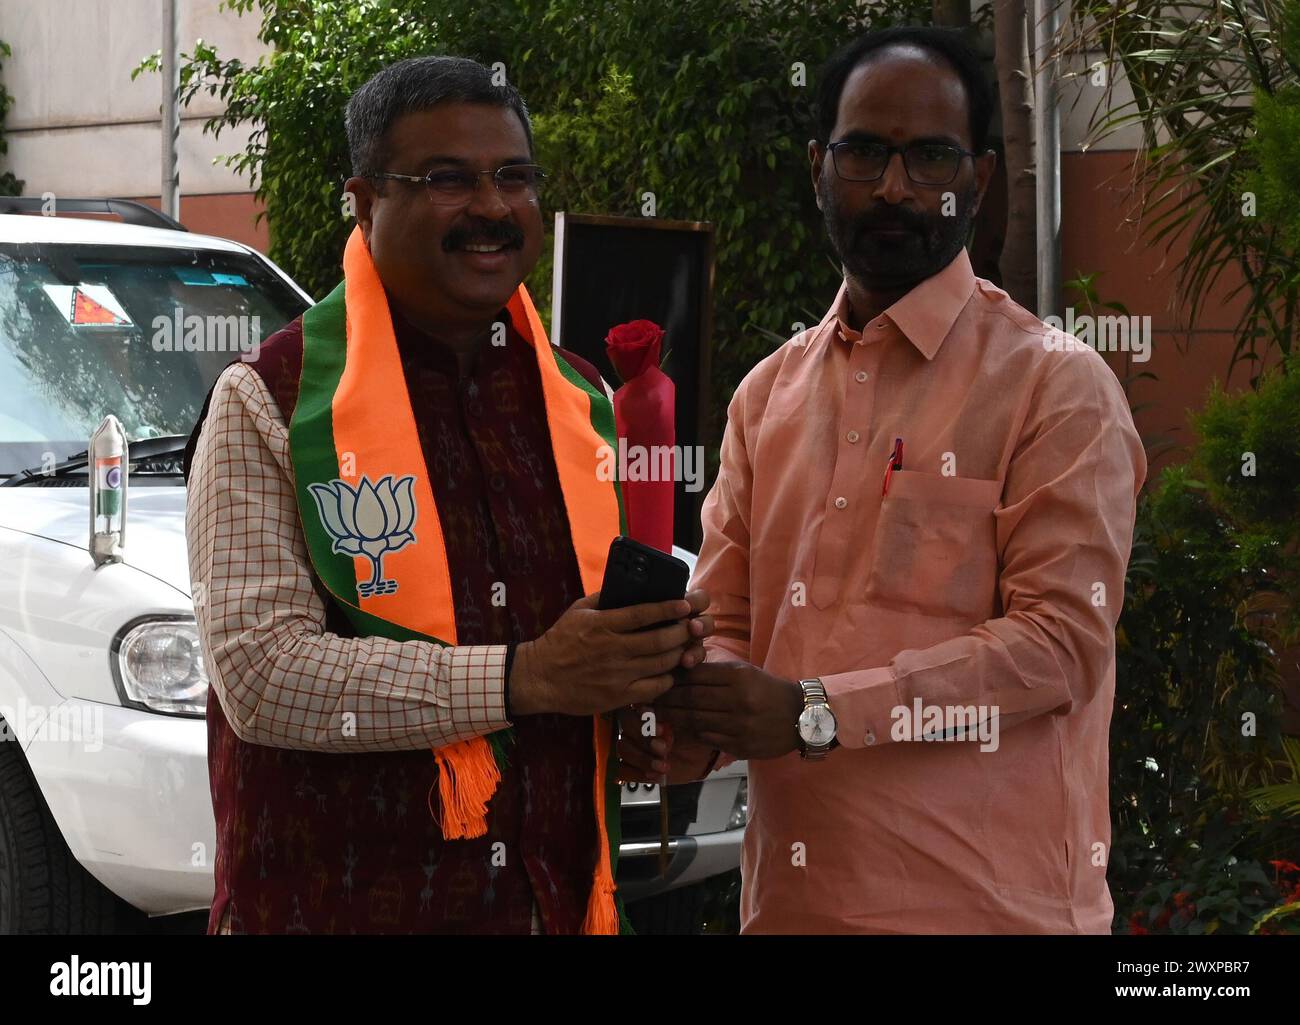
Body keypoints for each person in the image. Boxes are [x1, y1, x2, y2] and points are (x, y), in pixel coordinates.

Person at [620, 26, 1146, 933]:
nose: (897, 187)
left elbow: (1059, 646)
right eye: (865, 151)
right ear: (818, 168)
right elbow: (732, 625)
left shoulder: (1055, 387)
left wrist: (814, 712)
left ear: (978, 181)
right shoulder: (768, 395)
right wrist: (691, 720)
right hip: (791, 908)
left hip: (992, 915)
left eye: (930, 156)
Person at [184, 55, 711, 935]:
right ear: (363, 200)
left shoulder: (578, 402)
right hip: (330, 908)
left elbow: (590, 668)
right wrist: (525, 676)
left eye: (513, 177)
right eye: (446, 180)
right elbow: (261, 674)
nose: (492, 208)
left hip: (549, 904)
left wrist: (646, 697)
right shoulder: (272, 398)